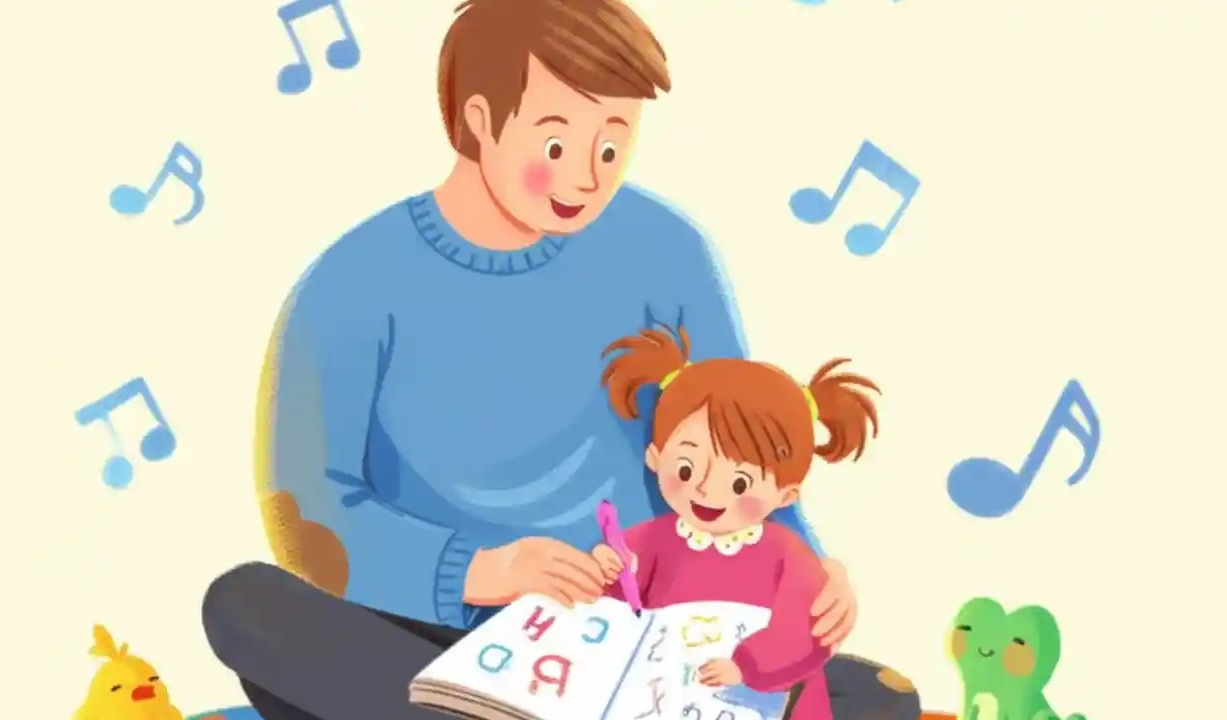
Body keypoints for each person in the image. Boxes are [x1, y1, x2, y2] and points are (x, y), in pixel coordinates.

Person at [201, 1, 918, 719]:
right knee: (245, 605)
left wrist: (812, 576)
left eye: (610, 149)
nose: (584, 179)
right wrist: (481, 571)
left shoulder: (667, 250)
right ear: (481, 119)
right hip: (434, 631)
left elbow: (749, 439)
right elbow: (307, 514)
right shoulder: (352, 282)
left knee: (879, 698)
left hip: (644, 633)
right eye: (554, 146)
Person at [590, 326, 886, 720]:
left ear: (786, 495)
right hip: (665, 699)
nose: (707, 490)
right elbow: (619, 602)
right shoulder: (653, 540)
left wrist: (746, 667)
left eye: (740, 483)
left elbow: (803, 631)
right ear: (656, 458)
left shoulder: (786, 555)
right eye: (687, 467)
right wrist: (606, 570)